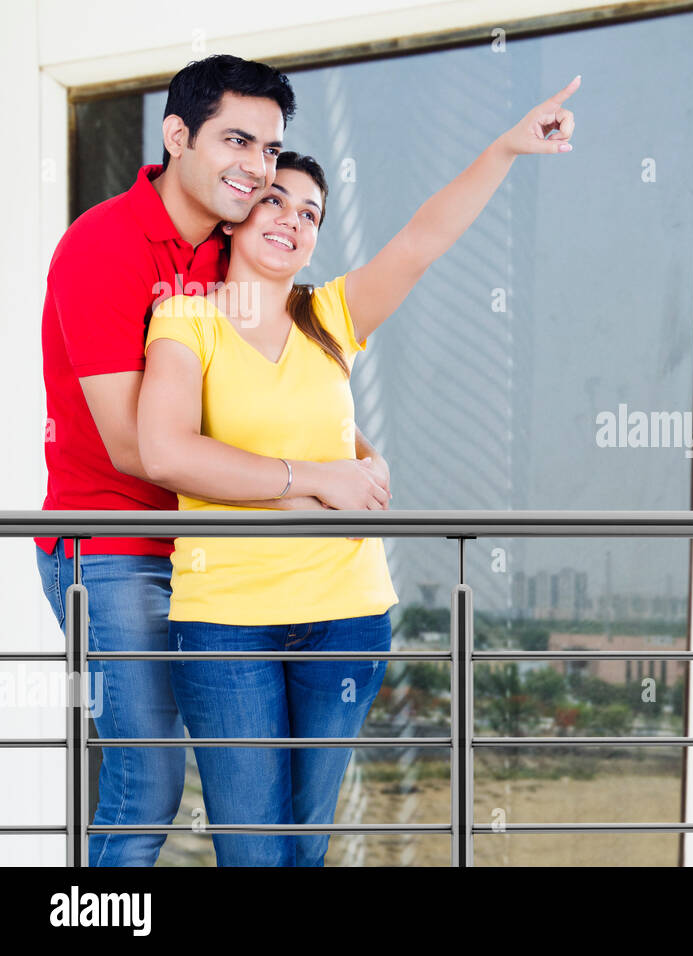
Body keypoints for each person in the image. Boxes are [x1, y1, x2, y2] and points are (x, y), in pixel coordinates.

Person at [136, 76, 580, 866]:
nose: (293, 221)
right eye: (276, 200)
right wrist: (321, 476)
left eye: (311, 214)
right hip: (224, 625)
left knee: (305, 846)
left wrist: (507, 146)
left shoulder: (331, 316)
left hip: (345, 618)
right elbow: (169, 452)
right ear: (239, 216)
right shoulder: (186, 317)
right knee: (251, 849)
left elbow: (421, 241)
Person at [34, 53, 393, 867]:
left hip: (211, 557)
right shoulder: (104, 247)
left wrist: (357, 452)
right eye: (237, 140)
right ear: (176, 136)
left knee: (264, 803)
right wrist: (311, 492)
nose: (256, 166)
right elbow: (140, 450)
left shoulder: (224, 253)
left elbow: (271, 391)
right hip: (114, 545)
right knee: (148, 778)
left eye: (269, 149)